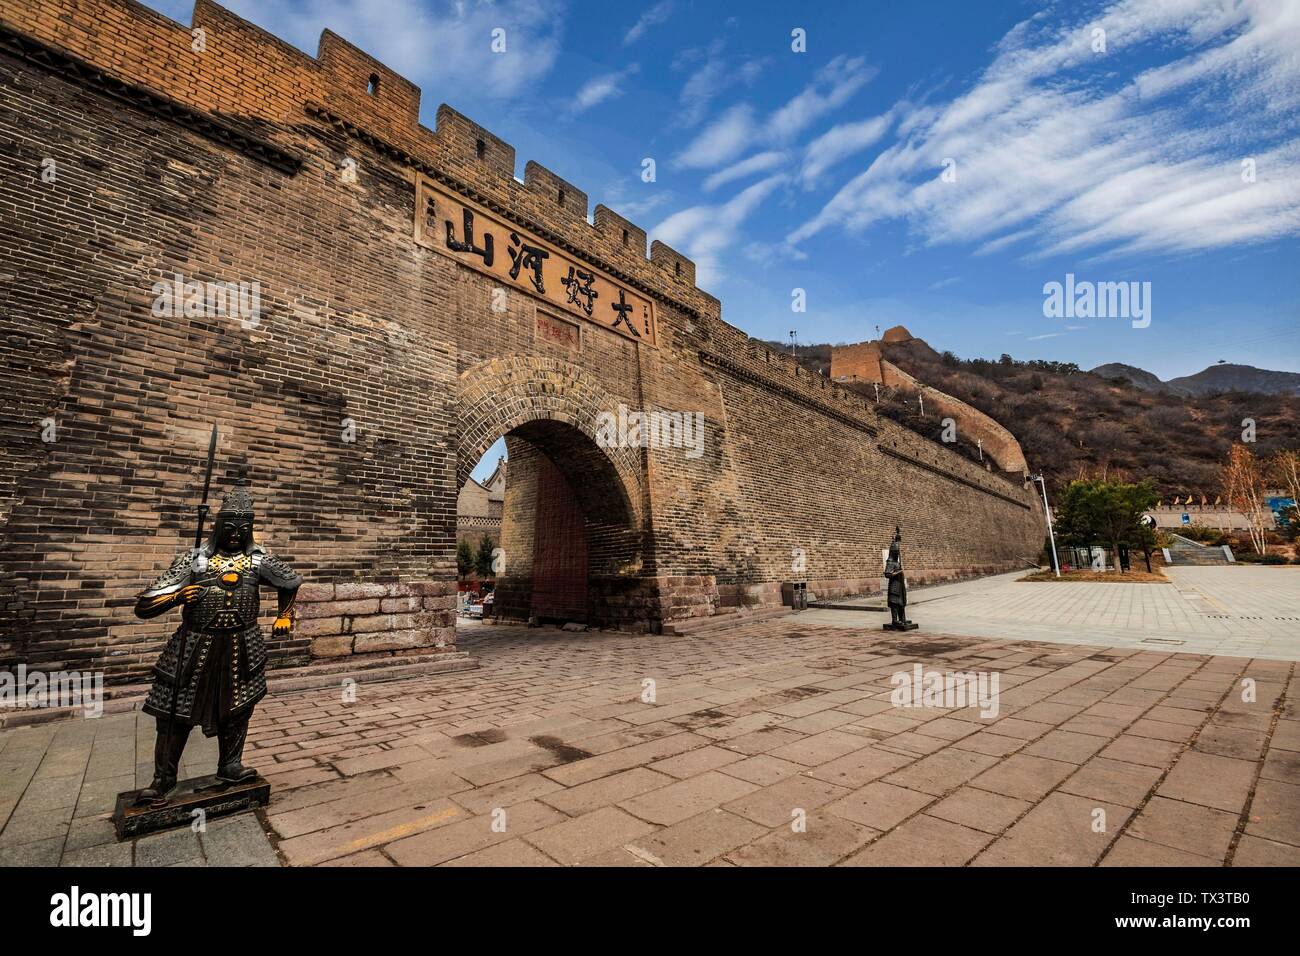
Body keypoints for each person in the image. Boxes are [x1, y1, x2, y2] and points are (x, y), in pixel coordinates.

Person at [134, 481, 301, 800]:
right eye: (230, 526)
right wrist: (177, 596)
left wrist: (284, 615)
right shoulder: (195, 560)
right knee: (174, 712)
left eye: (243, 527)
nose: (236, 533)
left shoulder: (258, 560)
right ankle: (163, 778)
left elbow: (290, 582)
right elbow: (145, 604)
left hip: (241, 644)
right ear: (217, 526)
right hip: (196, 646)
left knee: (239, 707)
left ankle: (230, 765)